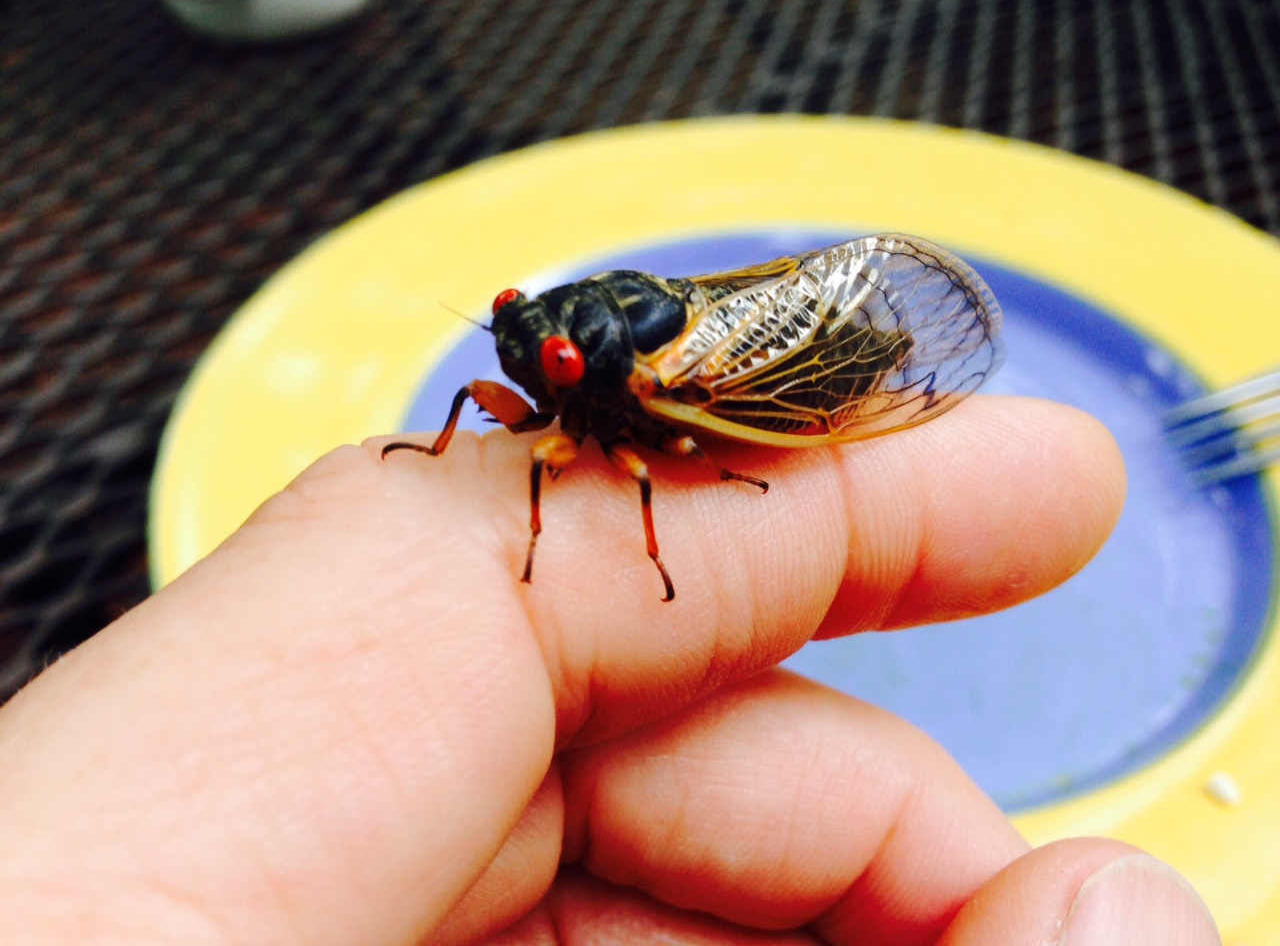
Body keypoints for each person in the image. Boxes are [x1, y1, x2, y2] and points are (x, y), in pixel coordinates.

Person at [0, 395, 1220, 945]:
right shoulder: (541, 400)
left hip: (710, 384)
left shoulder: (615, 408)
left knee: (695, 455)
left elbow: (657, 460)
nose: (527, 375)